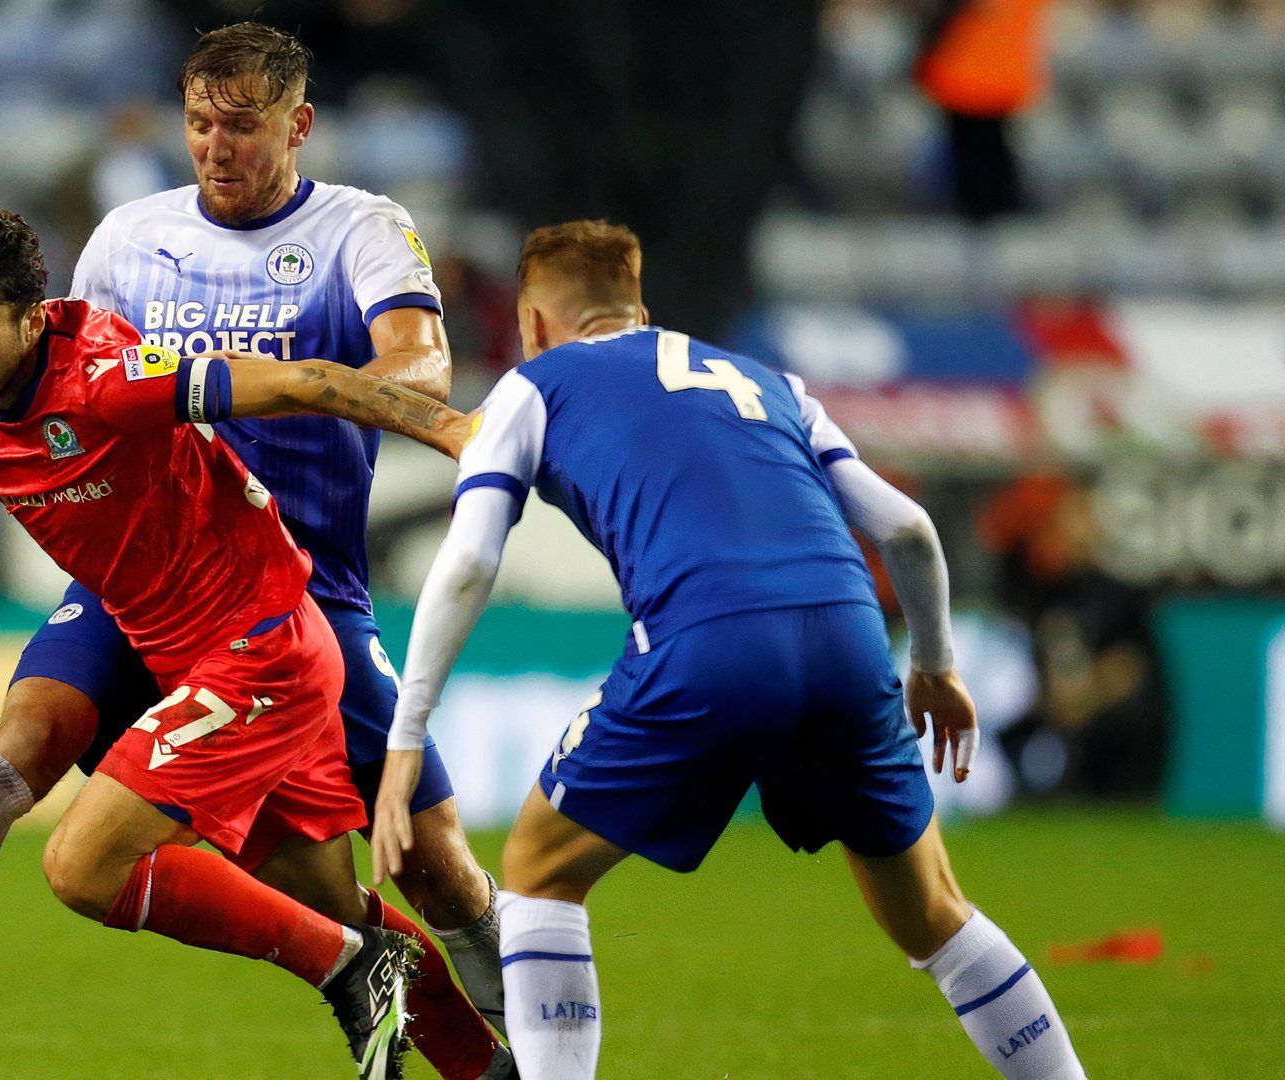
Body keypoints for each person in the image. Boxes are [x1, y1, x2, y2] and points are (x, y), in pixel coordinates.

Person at [0, 22, 511, 1074]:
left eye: (241, 126)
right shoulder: (131, 236)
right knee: (22, 742)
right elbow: (43, 389)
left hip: (298, 591)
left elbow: (418, 367)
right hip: (135, 577)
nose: (215, 147)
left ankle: (514, 1047)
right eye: (199, 123)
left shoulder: (360, 230)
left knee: (416, 874)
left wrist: (277, 377)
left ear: (298, 125)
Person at [0, 203, 491, 1078]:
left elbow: (307, 382)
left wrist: (455, 430)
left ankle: (383, 987)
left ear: (31, 317)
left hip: (258, 645)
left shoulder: (116, 376)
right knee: (13, 750)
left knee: (151, 875)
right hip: (135, 623)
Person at [370, 220, 1087, 1080]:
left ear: (532, 324)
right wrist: (935, 665)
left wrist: (407, 734)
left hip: (708, 637)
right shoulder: (771, 381)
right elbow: (907, 524)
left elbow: (473, 556)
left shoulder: (536, 383)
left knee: (537, 868)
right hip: (850, 635)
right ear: (642, 308)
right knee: (933, 910)